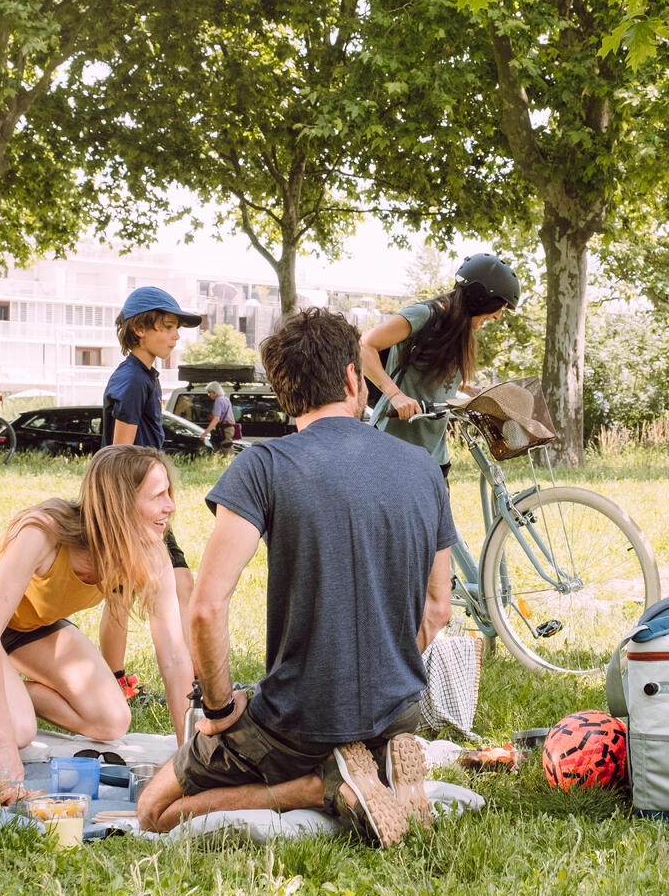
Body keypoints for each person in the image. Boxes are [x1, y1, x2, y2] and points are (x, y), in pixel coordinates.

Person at [137, 307, 456, 848]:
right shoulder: (424, 468)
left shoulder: (263, 465)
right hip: (397, 713)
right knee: (376, 721)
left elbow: (207, 606)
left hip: (295, 724)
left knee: (154, 809)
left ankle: (319, 788)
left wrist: (217, 709)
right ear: (354, 380)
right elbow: (439, 609)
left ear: (284, 395)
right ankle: (374, 767)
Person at [0, 445, 195, 781]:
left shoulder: (149, 553)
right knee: (16, 733)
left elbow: (175, 657)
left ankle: (4, 698)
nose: (170, 506)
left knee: (112, 720)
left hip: (30, 621)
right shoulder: (42, 534)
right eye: (159, 495)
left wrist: (189, 753)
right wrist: (3, 747)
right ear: (119, 505)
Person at [360, 253, 520, 473]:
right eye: (498, 308)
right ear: (480, 298)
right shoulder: (424, 315)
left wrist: (466, 387)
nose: (497, 317)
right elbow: (365, 346)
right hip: (393, 447)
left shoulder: (459, 327)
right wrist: (395, 395)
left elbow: (431, 369)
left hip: (434, 454)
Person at [103, 286, 202, 450]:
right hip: (133, 475)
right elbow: (119, 455)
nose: (176, 336)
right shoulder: (133, 378)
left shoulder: (145, 375)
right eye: (169, 326)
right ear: (140, 329)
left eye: (177, 328)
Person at [203, 382, 235, 450]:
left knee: (224, 451)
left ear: (214, 392)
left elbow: (216, 419)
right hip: (229, 428)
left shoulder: (218, 401)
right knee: (228, 449)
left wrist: (205, 433)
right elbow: (232, 417)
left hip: (223, 429)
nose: (209, 395)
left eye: (209, 392)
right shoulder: (226, 399)